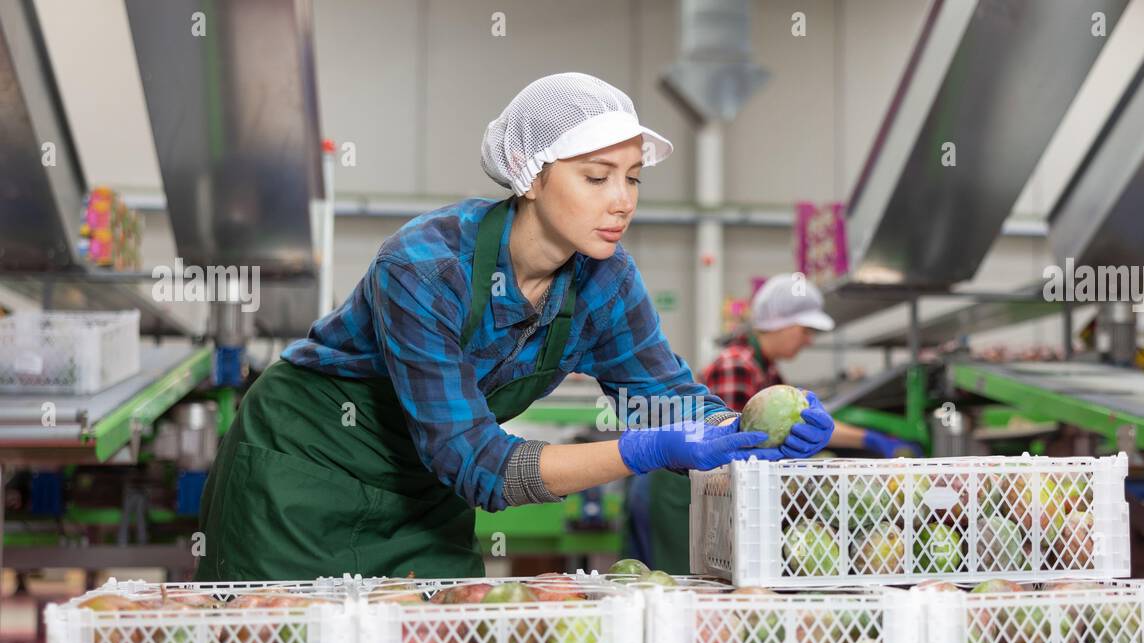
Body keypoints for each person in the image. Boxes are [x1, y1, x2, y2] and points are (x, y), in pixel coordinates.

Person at [195, 73, 834, 581]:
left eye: (633, 178)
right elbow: (475, 461)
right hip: (304, 472)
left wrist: (747, 430)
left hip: (425, 496)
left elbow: (660, 402)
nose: (623, 201)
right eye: (596, 177)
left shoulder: (605, 281)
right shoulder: (423, 267)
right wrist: (644, 450)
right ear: (530, 176)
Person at [628, 273, 919, 574]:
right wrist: (870, 440)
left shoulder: (766, 371)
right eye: (805, 330)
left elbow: (791, 426)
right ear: (780, 324)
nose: (809, 340)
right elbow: (734, 438)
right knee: (675, 582)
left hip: (695, 484)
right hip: (675, 487)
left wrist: (870, 439)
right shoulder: (737, 365)